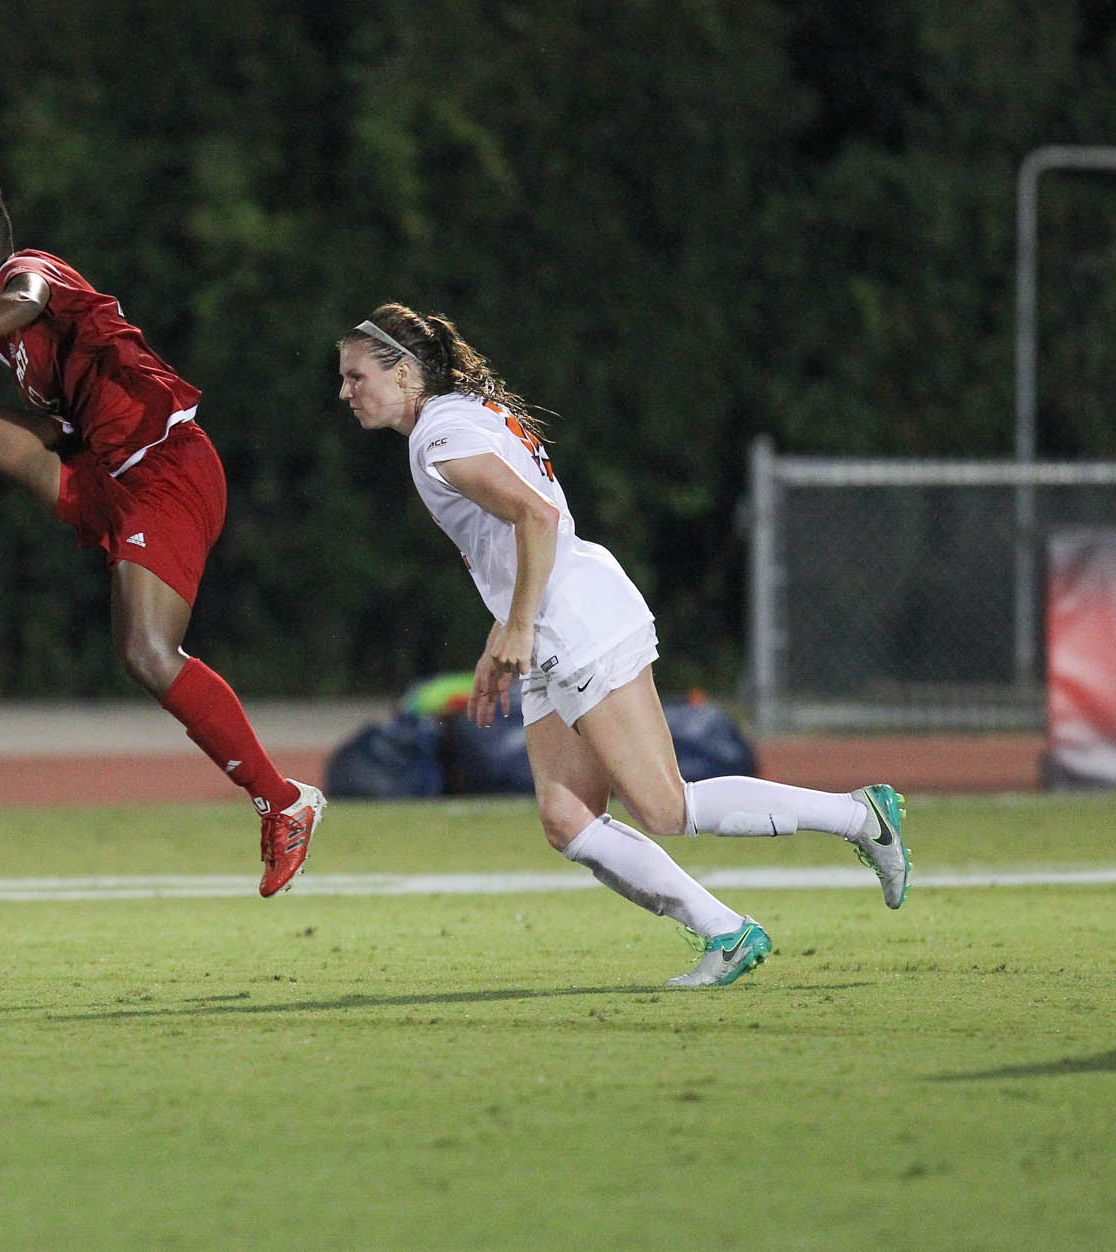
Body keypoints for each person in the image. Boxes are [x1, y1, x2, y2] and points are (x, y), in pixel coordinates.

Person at [337, 304, 909, 987]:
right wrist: (505, 630)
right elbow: (531, 527)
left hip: (575, 622)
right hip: (558, 617)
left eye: (355, 375)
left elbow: (539, 516)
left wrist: (516, 626)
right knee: (567, 816)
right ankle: (727, 932)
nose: (346, 392)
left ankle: (858, 815)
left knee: (666, 807)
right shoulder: (458, 416)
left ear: (403, 373)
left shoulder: (438, 438)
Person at [0, 178, 323, 896]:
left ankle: (284, 801)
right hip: (106, 469)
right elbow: (57, 428)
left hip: (166, 468)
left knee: (146, 653)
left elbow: (24, 298)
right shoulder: (17, 349)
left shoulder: (30, 273)